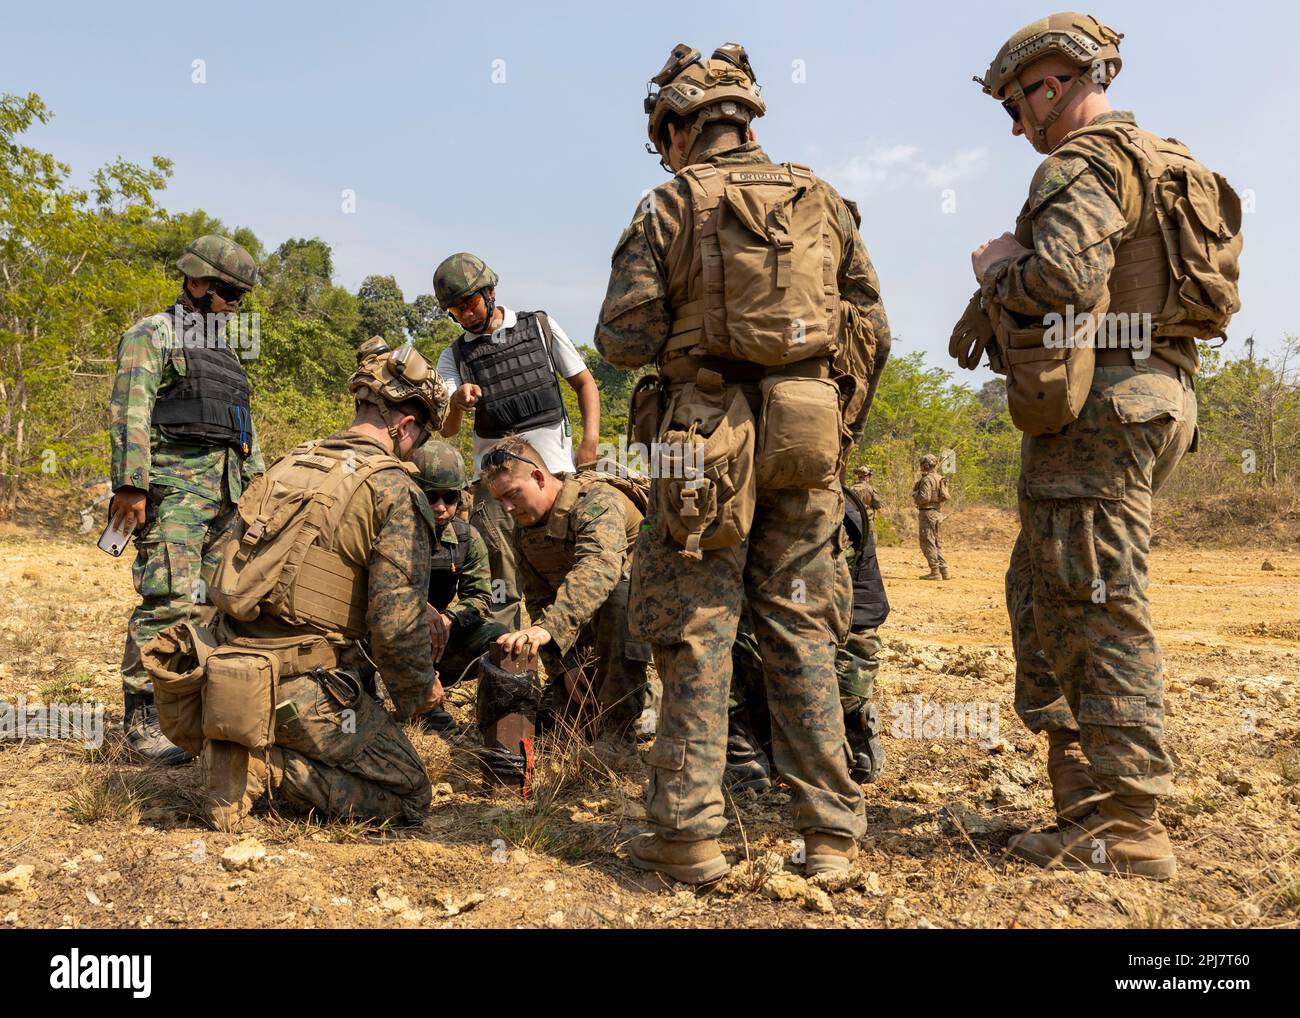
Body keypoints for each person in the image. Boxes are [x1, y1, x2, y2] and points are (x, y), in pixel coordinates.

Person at [951, 12, 1242, 879]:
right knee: (1043, 587)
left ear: (1055, 83)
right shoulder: (1170, 159)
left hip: (1104, 409)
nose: (1014, 124)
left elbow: (1064, 278)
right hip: (1158, 396)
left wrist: (1000, 264)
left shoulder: (1080, 162)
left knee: (1097, 602)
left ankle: (1128, 823)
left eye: (1017, 102)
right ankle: (1084, 800)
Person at [595, 42, 890, 882]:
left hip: (701, 442)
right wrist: (836, 424)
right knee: (802, 627)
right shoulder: (824, 201)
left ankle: (689, 836)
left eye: (665, 139)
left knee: (697, 627)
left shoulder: (669, 203)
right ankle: (831, 836)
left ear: (680, 127)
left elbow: (623, 337)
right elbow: (871, 328)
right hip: (807, 436)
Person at [146, 345, 451, 831]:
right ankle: (266, 770)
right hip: (299, 687)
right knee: (409, 791)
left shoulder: (292, 462)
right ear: (406, 425)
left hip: (224, 663)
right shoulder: (394, 490)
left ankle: (241, 737)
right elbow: (396, 628)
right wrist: (421, 694)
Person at [109, 235, 263, 764]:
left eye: (240, 297)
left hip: (226, 497)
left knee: (210, 605)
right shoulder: (154, 333)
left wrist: (259, 489)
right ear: (195, 282)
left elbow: (244, 429)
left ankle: (186, 708)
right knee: (168, 598)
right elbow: (131, 408)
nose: (232, 305)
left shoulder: (228, 357)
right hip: (173, 492)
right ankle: (142, 717)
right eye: (225, 292)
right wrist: (130, 484)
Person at [432, 253, 602, 632]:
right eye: (456, 311)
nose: (466, 315)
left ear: (491, 292)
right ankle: (508, 673)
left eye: (470, 304)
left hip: (554, 477)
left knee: (571, 573)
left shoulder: (539, 327)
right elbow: (446, 427)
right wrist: (458, 401)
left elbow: (584, 383)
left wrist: (589, 443)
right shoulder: (454, 356)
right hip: (495, 491)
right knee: (501, 588)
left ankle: (582, 669)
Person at [480, 436, 651, 763]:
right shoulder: (524, 530)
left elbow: (598, 568)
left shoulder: (596, 502)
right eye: (500, 500)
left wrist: (549, 630)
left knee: (619, 595)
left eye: (513, 495)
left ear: (539, 478)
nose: (508, 508)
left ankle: (620, 736)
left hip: (643, 617)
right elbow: (540, 599)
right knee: (564, 728)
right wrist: (565, 668)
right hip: (583, 623)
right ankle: (622, 701)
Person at [726, 480, 890, 791]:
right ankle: (847, 722)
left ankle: (741, 741)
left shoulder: (741, 508)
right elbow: (865, 620)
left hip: (788, 677)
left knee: (708, 624)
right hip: (818, 678)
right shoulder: (847, 507)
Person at [410, 440, 506, 733]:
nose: (440, 507)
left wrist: (450, 618)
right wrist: (415, 609)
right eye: (431, 496)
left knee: (499, 638)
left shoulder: (467, 539)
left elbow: (479, 597)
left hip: (438, 642)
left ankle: (499, 715)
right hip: (390, 643)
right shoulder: (389, 530)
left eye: (449, 498)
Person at [911, 454, 950, 580]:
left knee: (927, 542)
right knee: (937, 542)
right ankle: (944, 570)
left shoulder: (927, 479)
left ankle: (935, 572)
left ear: (925, 465)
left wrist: (915, 495)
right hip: (937, 512)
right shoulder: (939, 478)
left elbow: (925, 497)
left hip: (927, 513)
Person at [849, 466, 882, 540]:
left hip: (854, 519)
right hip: (868, 519)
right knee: (870, 540)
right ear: (867, 477)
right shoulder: (870, 489)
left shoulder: (851, 489)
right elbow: (877, 505)